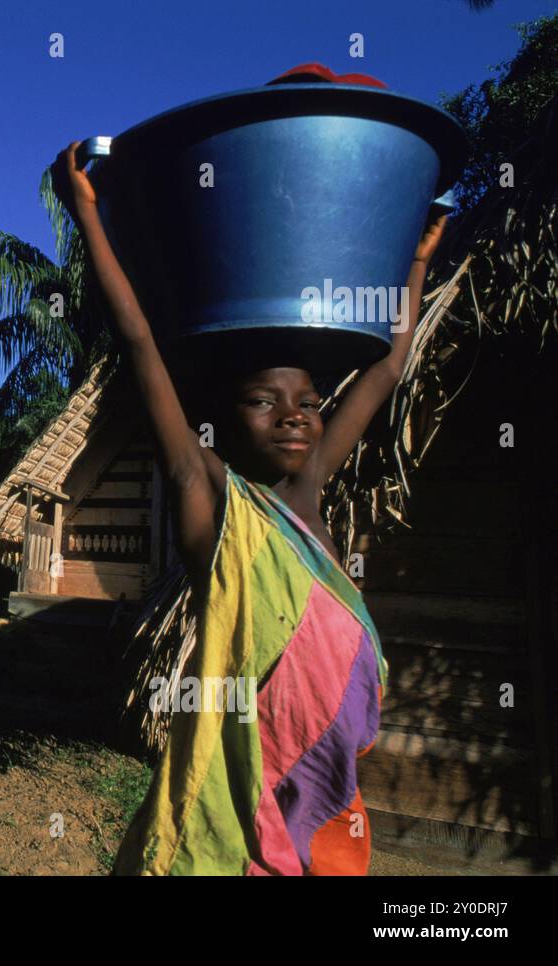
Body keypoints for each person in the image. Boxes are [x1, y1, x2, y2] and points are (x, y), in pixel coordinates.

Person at [50, 138, 446, 875]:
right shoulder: (213, 503)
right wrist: (87, 218)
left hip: (325, 793)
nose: (294, 416)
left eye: (308, 403)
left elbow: (389, 365)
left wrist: (416, 258)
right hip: (245, 788)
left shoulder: (311, 498)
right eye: (264, 402)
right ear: (224, 426)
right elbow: (140, 344)